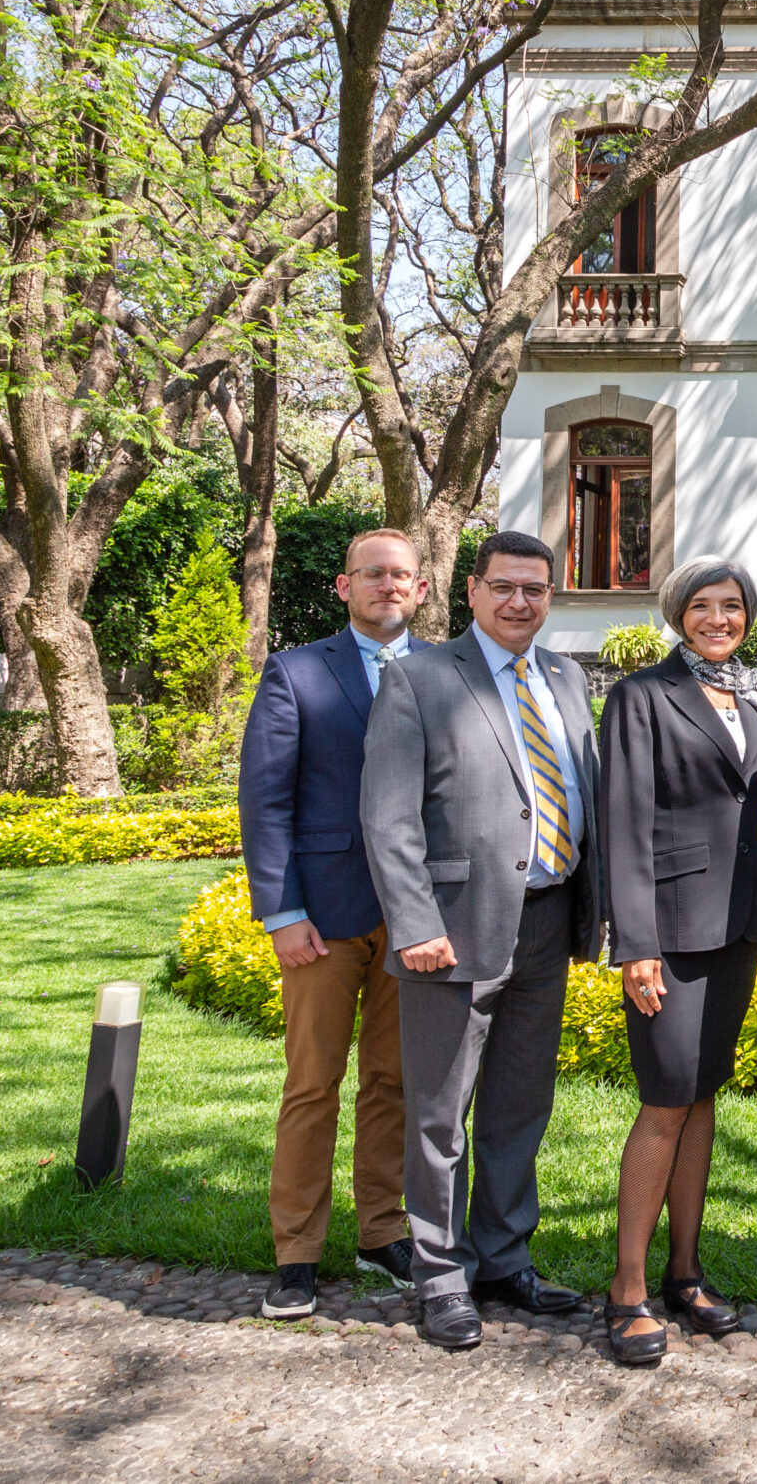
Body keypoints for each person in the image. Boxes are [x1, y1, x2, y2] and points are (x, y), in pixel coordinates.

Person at [361, 529, 602, 1352]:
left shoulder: (567, 680)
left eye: (535, 589)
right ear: (470, 591)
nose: (519, 602)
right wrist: (416, 922)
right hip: (452, 933)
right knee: (440, 1114)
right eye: (504, 587)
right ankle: (440, 1273)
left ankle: (503, 1256)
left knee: (518, 1107)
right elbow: (388, 817)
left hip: (546, 920)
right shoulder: (420, 677)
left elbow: (577, 797)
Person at [593, 556, 757, 1366]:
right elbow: (624, 821)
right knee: (665, 1100)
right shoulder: (642, 696)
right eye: (703, 606)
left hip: (738, 923)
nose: (719, 618)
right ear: (678, 614)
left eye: (733, 605)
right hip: (667, 931)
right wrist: (633, 942)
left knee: (703, 1096)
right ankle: (627, 1288)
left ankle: (685, 1270)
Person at [239, 528, 428, 1320]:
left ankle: (382, 1229)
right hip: (321, 916)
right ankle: (297, 1252)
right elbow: (265, 797)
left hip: (412, 917)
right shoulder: (296, 671)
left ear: (421, 590)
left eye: (402, 576)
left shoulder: (444, 670)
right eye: (373, 574)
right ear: (345, 587)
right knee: (313, 1083)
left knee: (393, 1082)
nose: (389, 586)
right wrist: (282, 910)